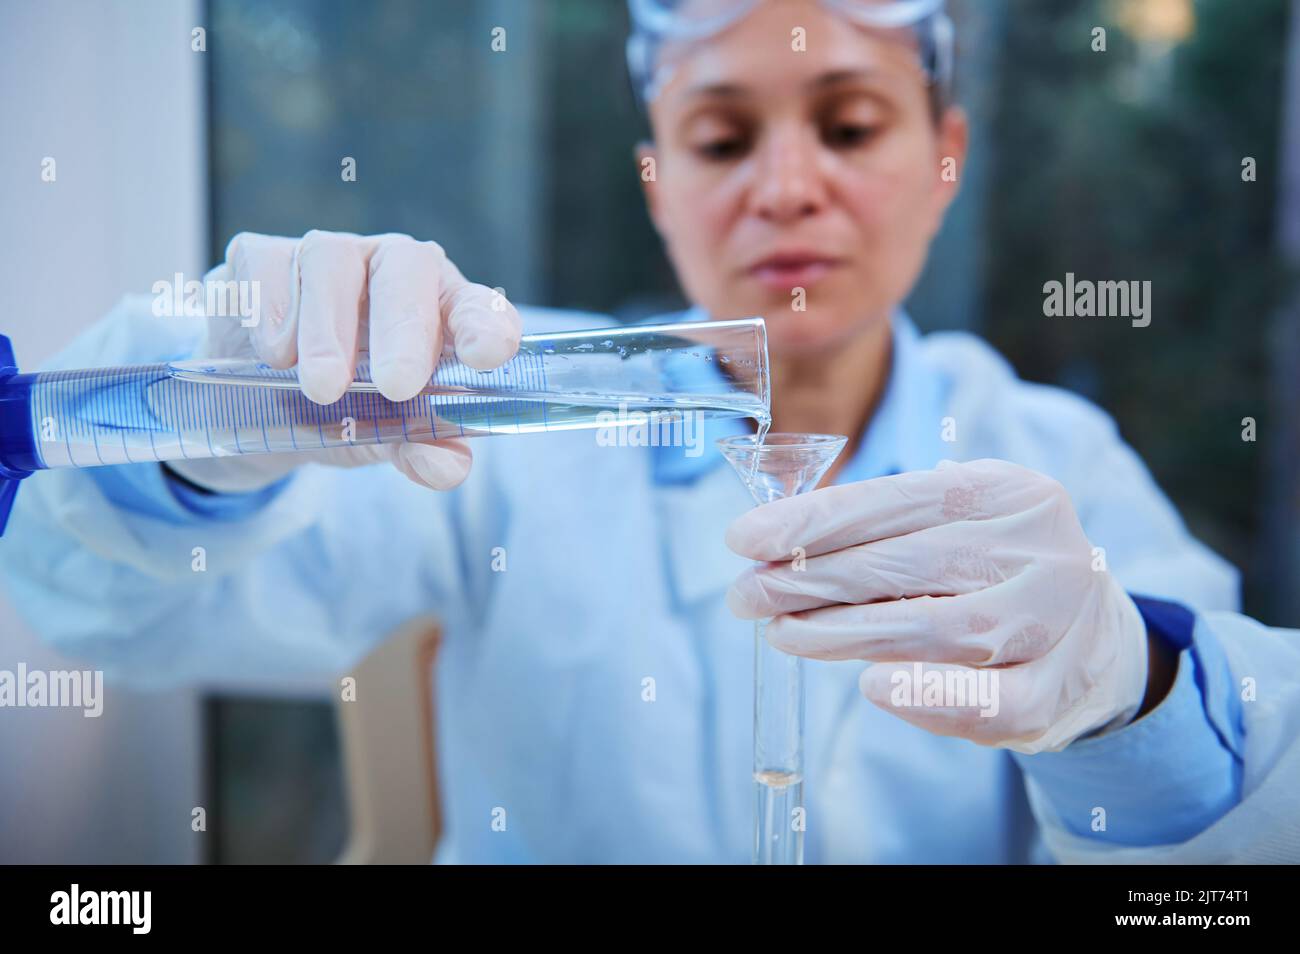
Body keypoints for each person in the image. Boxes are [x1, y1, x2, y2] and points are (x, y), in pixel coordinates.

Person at [3, 0, 1299, 863]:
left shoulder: (1050, 460)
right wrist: (202, 432)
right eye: (722, 135)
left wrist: (1135, 692)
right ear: (655, 180)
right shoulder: (497, 415)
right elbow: (111, 610)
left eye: (850, 124)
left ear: (946, 155)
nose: (787, 186)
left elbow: (1243, 847)